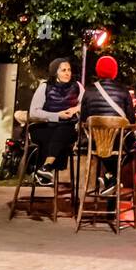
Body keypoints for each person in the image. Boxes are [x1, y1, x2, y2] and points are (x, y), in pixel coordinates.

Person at [79, 54, 136, 196]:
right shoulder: (123, 91)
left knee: (104, 149)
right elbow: (131, 120)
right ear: (115, 71)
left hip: (95, 143)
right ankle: (111, 178)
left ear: (98, 71)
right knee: (133, 148)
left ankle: (109, 178)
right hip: (119, 142)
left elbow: (84, 119)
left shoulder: (89, 91)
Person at [27, 57, 82, 186]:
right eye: (63, 70)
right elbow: (34, 112)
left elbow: (85, 103)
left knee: (65, 130)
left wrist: (75, 109)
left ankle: (45, 168)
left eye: (69, 70)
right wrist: (57, 116)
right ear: (55, 72)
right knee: (60, 134)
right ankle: (45, 170)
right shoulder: (44, 87)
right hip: (45, 127)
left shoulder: (77, 86)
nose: (67, 73)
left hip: (66, 128)